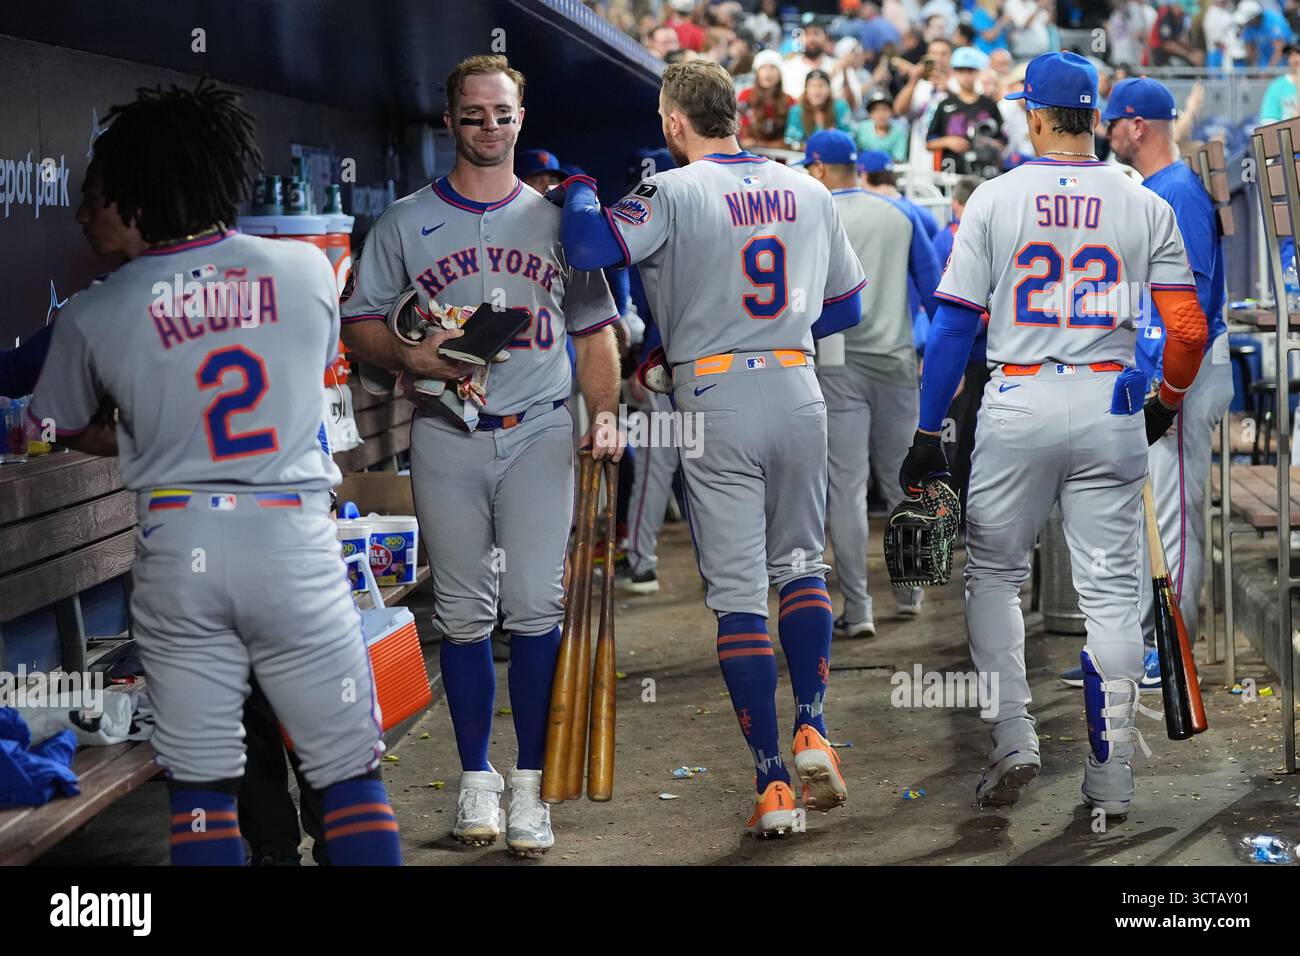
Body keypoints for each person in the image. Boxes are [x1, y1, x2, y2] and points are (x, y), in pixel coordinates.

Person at [30, 79, 403, 866]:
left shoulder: (93, 313)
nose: (82, 211)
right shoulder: (304, 269)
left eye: (96, 193)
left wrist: (144, 432)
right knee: (347, 773)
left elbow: (61, 427)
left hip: (181, 542)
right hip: (291, 539)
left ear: (141, 192)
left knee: (202, 787)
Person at [558, 60, 866, 837]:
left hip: (714, 396)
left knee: (736, 594)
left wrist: (581, 185)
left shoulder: (671, 188)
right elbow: (846, 306)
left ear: (672, 123)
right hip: (797, 385)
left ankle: (771, 787)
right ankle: (814, 725)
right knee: (800, 564)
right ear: (735, 110)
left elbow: (588, 244)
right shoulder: (806, 185)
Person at [899, 52, 1208, 815]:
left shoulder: (997, 198)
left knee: (994, 575)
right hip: (1111, 398)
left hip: (1019, 398)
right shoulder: (1144, 201)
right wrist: (1165, 399)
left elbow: (951, 330)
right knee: (1110, 598)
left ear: (1035, 115)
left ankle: (1015, 736)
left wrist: (929, 427)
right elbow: (1191, 329)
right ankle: (1111, 779)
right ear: (1096, 119)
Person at [339, 55, 622, 857]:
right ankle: (475, 779)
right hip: (444, 428)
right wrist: (417, 356)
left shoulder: (561, 218)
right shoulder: (403, 220)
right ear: (449, 122)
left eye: (501, 114)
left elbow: (595, 332)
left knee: (535, 608)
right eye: (473, 114)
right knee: (462, 615)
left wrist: (603, 413)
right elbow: (359, 326)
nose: (489, 127)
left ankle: (530, 786)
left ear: (521, 120)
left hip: (536, 427)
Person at [1057, 78, 1231, 691]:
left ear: (1139, 127)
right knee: (1150, 516)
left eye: (1116, 122)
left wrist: (1166, 384)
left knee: (1175, 514)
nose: (1107, 131)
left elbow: (1195, 298)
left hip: (1187, 373)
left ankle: (1172, 648)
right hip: (1161, 375)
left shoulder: (1177, 189)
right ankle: (1137, 644)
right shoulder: (1156, 189)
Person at [798, 130, 939, 637]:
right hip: (897, 360)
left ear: (817, 168)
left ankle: (859, 609)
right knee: (906, 481)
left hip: (836, 362)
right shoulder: (899, 214)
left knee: (846, 487)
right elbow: (937, 293)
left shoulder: (812, 211)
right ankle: (911, 591)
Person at [926, 46, 1005, 177]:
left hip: (983, 169)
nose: (966, 76)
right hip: (951, 168)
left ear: (977, 72)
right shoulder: (945, 104)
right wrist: (948, 141)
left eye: (970, 71)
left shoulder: (989, 104)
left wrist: (988, 143)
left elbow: (1002, 140)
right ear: (955, 73)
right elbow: (929, 142)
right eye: (961, 71)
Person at [739, 49, 796, 149]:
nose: (768, 72)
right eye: (763, 67)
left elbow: (790, 141)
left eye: (773, 67)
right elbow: (743, 136)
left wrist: (759, 144)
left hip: (778, 160)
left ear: (780, 73)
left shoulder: (789, 101)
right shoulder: (745, 96)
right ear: (756, 72)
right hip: (750, 157)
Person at [786, 69, 855, 147]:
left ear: (829, 89)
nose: (817, 91)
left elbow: (850, 135)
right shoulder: (797, 110)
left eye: (821, 85)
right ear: (806, 90)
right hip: (805, 155)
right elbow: (791, 140)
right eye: (812, 86)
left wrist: (836, 136)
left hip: (835, 154)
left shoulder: (840, 106)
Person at [782, 22, 836, 95]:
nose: (812, 39)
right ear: (799, 38)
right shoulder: (786, 67)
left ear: (825, 37)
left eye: (816, 33)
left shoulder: (837, 66)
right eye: (807, 34)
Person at [856, 91, 910, 161]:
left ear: (892, 112)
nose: (881, 114)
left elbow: (899, 158)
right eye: (876, 110)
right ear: (870, 114)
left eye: (885, 109)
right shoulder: (861, 129)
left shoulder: (899, 132)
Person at [1238, 0, 1293, 66]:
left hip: (1283, 61)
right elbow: (1250, 50)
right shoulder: (1248, 25)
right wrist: (1255, 71)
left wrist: (1269, 71)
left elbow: (1279, 49)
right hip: (1264, 61)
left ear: (1255, 17)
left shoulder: (1273, 20)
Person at [1260, 43, 1300, 122]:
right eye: (1290, 55)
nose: (1294, 59)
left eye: (1298, 53)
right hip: (1288, 132)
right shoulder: (1277, 86)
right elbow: (1268, 120)